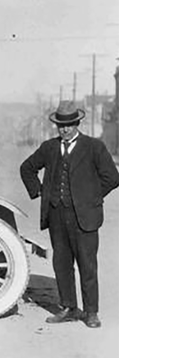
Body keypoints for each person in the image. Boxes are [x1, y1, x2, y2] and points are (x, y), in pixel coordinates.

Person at [20, 101, 119, 329]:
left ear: (77, 123)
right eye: (60, 125)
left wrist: (91, 197)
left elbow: (112, 178)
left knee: (87, 265)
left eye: (69, 125)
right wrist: (39, 191)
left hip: (84, 217)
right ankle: (68, 308)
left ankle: (91, 312)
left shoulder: (94, 147)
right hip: (56, 216)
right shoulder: (49, 147)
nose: (64, 129)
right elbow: (27, 168)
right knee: (61, 264)